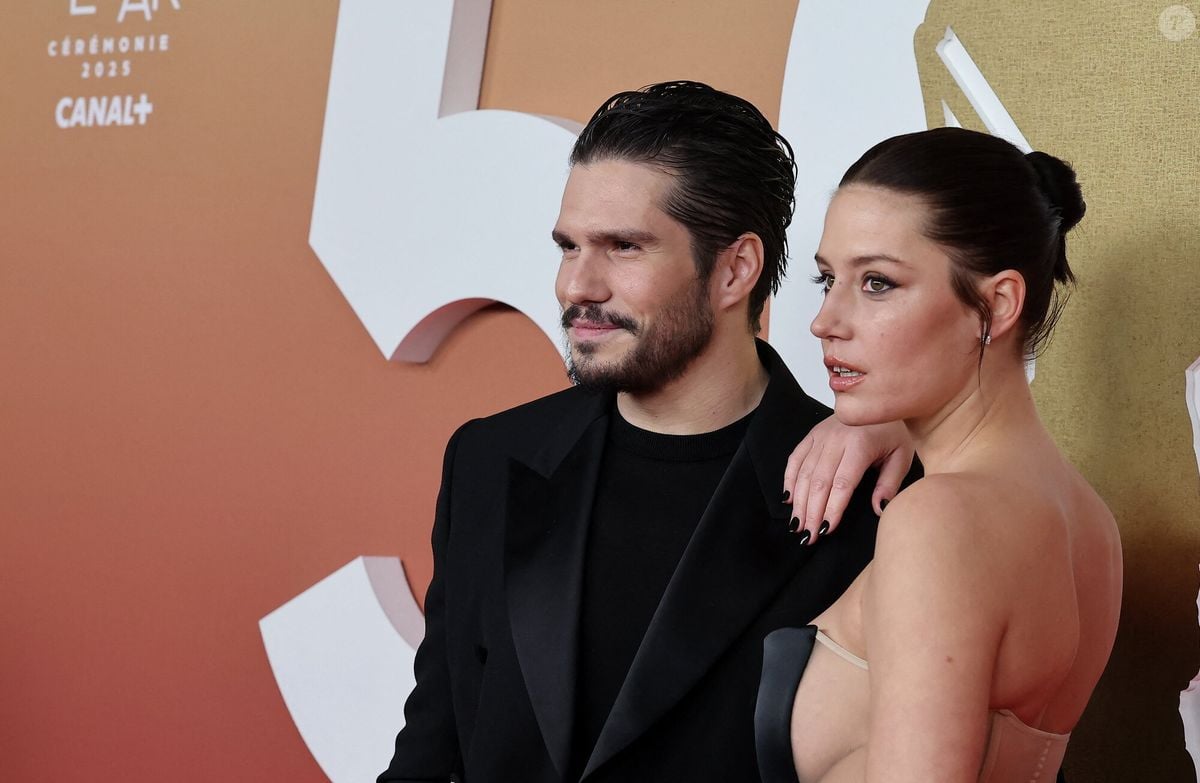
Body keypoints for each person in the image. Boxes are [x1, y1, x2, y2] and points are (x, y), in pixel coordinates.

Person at [377, 81, 912, 783]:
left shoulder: (879, 500)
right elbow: (431, 748)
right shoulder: (488, 459)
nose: (577, 285)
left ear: (733, 270)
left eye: (623, 247)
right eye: (568, 247)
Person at [758, 127, 1123, 782]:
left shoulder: (938, 521)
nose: (825, 320)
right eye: (826, 278)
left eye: (876, 283)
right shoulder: (1089, 522)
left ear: (996, 304)